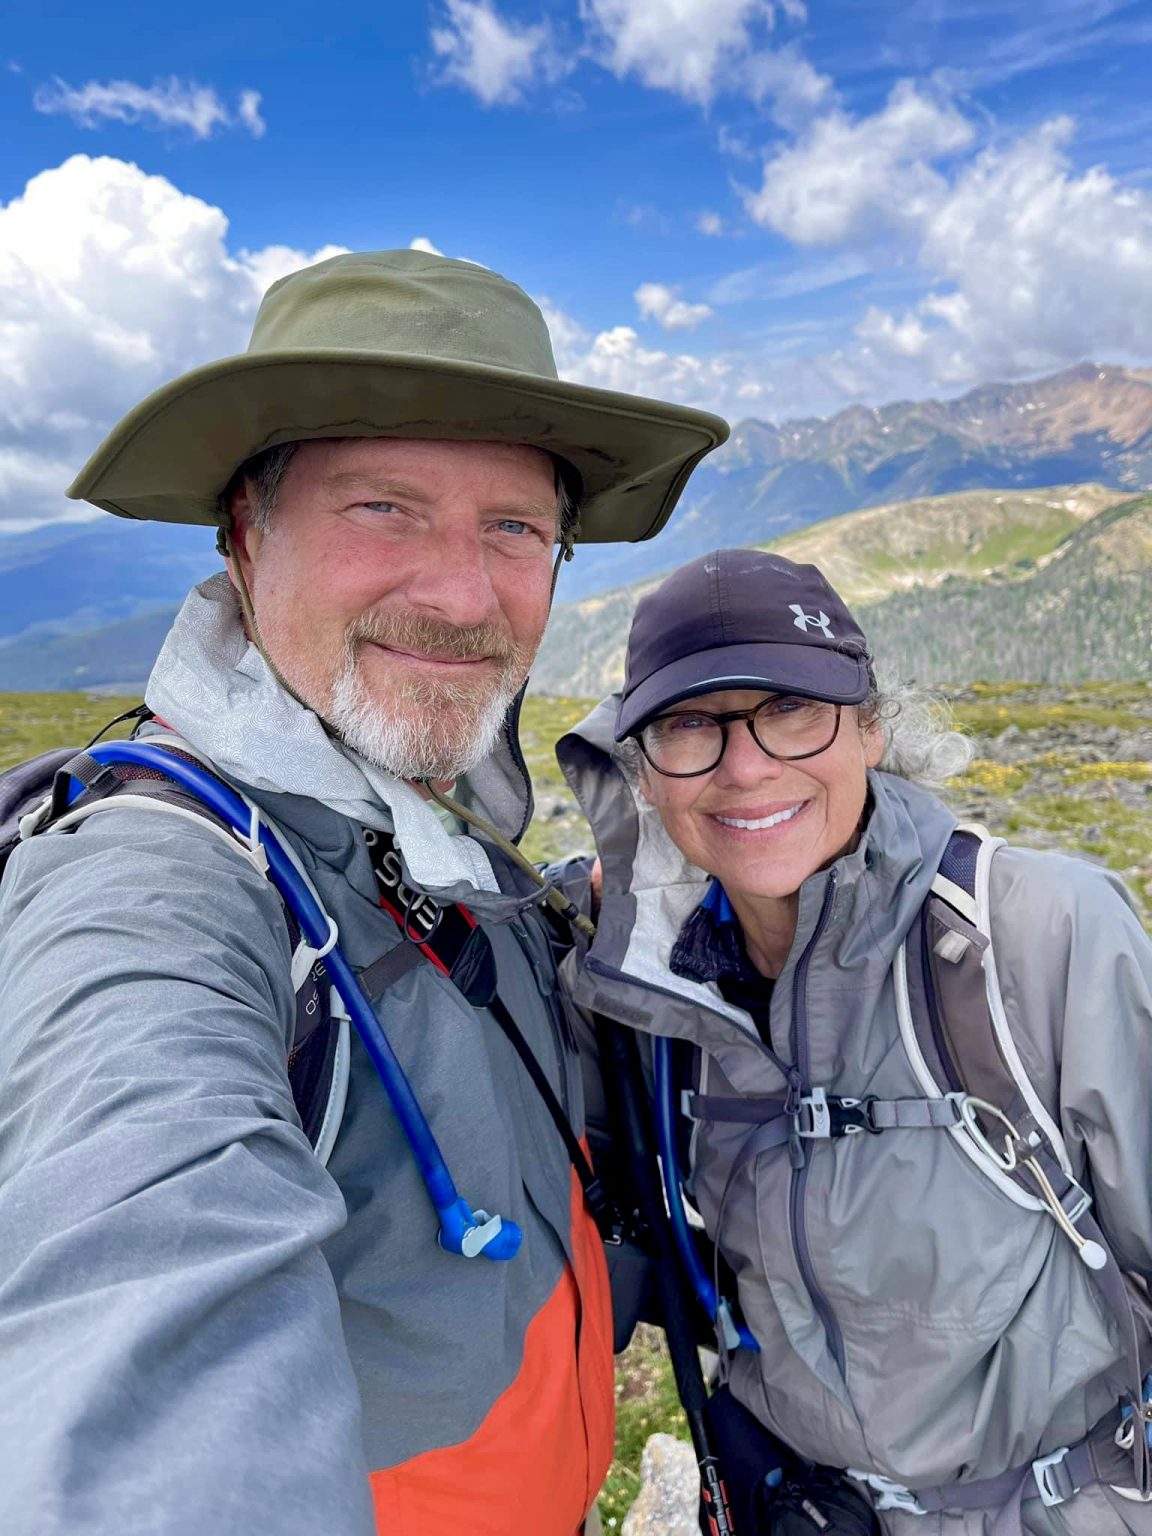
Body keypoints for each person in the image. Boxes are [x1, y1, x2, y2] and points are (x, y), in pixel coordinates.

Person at [0, 249, 728, 1536]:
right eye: (384, 508)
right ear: (244, 530)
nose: (461, 595)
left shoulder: (416, 820)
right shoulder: (158, 883)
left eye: (514, 527)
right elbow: (142, 1290)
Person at [554, 548, 1152, 1535]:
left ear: (871, 728)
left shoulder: (1040, 937)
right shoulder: (645, 999)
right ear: (645, 773)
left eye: (792, 708)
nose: (746, 767)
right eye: (690, 724)